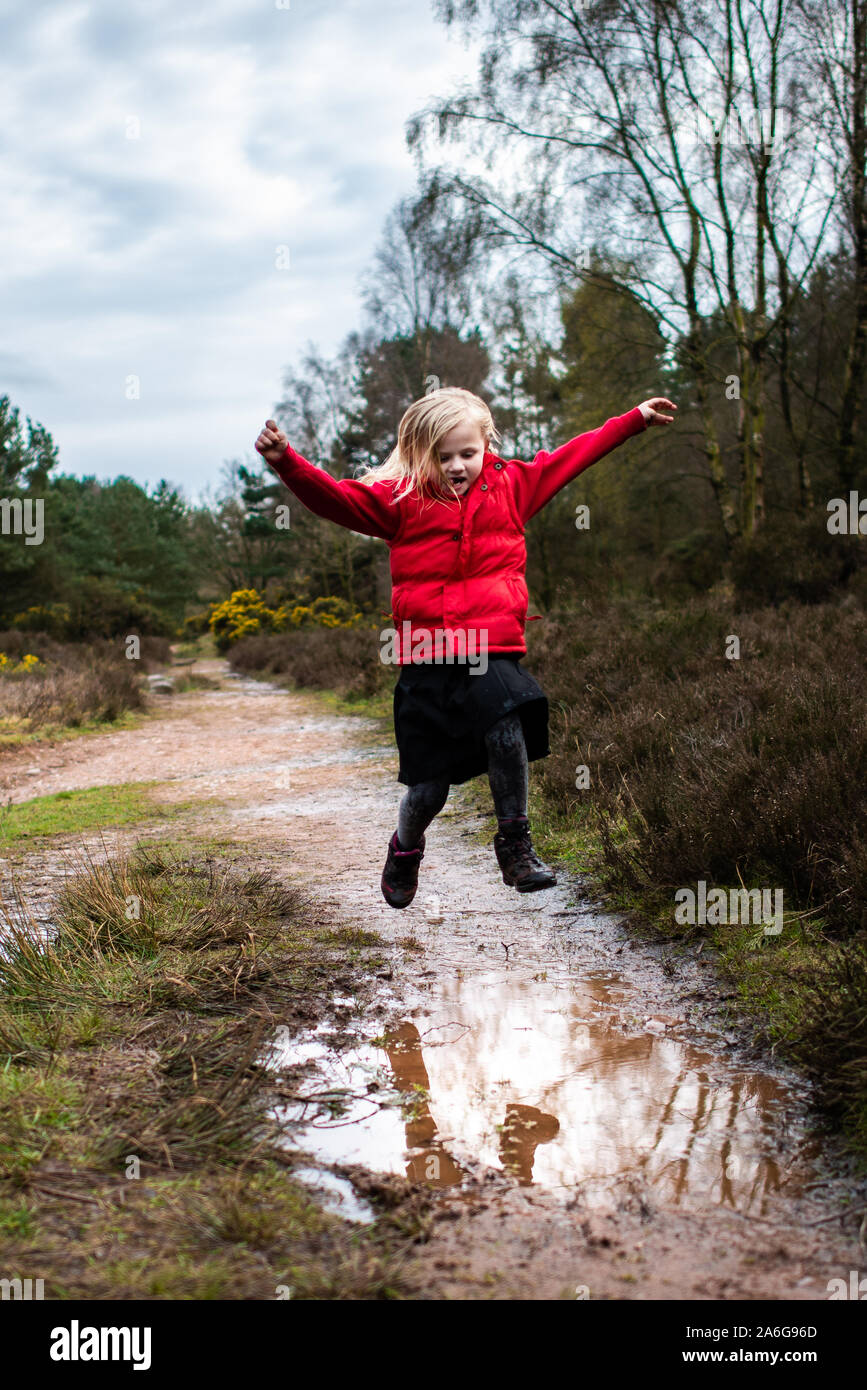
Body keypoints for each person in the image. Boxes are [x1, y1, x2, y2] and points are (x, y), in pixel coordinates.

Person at [255, 387, 676, 908]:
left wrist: (632, 418)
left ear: (486, 445)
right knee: (429, 788)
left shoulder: (515, 486)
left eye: (467, 454)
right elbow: (335, 500)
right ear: (419, 454)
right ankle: (405, 849)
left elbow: (575, 454)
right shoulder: (400, 502)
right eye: (443, 456)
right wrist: (286, 462)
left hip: (489, 648)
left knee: (508, 720)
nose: (457, 466)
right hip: (426, 658)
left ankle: (516, 846)